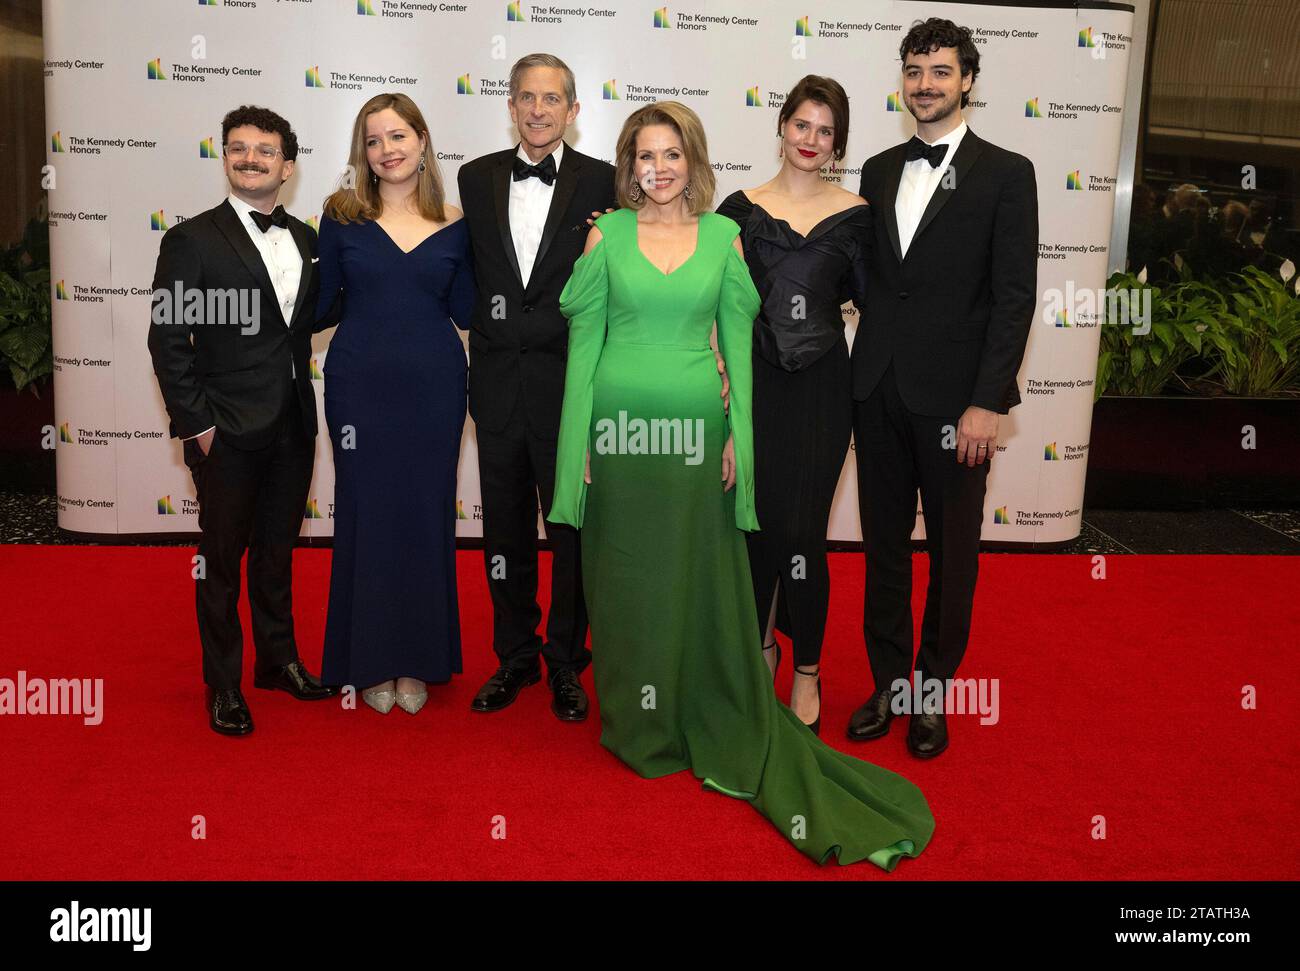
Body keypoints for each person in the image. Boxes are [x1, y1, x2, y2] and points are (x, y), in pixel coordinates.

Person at [549, 101, 935, 869]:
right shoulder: (605, 235)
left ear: (693, 159)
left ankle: (700, 702)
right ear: (629, 166)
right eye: (644, 156)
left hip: (698, 440)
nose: (659, 169)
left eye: (672, 154)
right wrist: (576, 452)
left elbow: (737, 355)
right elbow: (581, 351)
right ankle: (636, 718)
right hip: (618, 440)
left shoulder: (726, 237)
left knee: (691, 577)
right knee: (626, 579)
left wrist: (740, 448)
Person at [847, 18, 1037, 758]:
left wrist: (989, 400)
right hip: (878, 388)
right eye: (915, 71)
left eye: (941, 72)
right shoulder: (877, 168)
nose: (925, 84)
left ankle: (933, 693)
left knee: (953, 554)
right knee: (884, 547)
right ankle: (890, 683)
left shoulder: (1006, 172)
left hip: (961, 402)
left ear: (967, 82)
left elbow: (1013, 295)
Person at [148, 104, 337, 737]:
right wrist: (197, 426)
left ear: (288, 165)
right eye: (237, 148)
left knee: (278, 551)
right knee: (222, 559)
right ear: (225, 156)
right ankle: (224, 684)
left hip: (292, 423)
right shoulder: (191, 240)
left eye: (264, 150)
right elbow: (167, 340)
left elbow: (303, 325)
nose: (250, 158)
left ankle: (278, 661)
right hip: (225, 428)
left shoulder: (307, 240)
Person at [456, 54, 616, 721]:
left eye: (552, 99)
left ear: (573, 110)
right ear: (511, 104)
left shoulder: (606, 181)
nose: (538, 109)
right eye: (526, 97)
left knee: (571, 531)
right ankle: (514, 654)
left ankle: (565, 661)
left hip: (571, 385)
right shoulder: (474, 177)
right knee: (505, 534)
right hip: (495, 383)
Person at [717, 75, 869, 735]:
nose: (811, 139)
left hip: (822, 391)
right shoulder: (738, 208)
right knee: (751, 529)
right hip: (754, 386)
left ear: (837, 143)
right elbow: (711, 302)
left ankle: (806, 669)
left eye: (825, 130)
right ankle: (757, 652)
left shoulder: (858, 215)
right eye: (802, 124)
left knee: (804, 534)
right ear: (782, 126)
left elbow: (882, 305)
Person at [315, 94, 473, 715]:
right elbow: (320, 303)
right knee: (367, 513)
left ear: (424, 139)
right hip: (359, 388)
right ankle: (371, 658)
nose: (389, 149)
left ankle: (422, 660)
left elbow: (467, 309)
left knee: (426, 515)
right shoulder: (341, 217)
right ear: (365, 153)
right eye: (375, 140)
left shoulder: (460, 220)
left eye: (400, 134)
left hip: (435, 388)